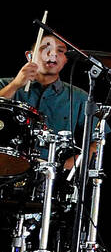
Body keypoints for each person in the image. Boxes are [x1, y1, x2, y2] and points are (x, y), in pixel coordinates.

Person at [1, 34, 96, 169]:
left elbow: (98, 140)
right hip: (6, 169)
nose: (53, 54)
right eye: (45, 48)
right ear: (29, 56)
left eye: (60, 51)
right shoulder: (4, 84)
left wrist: (75, 162)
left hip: (54, 176)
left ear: (65, 59)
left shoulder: (80, 97)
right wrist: (15, 85)